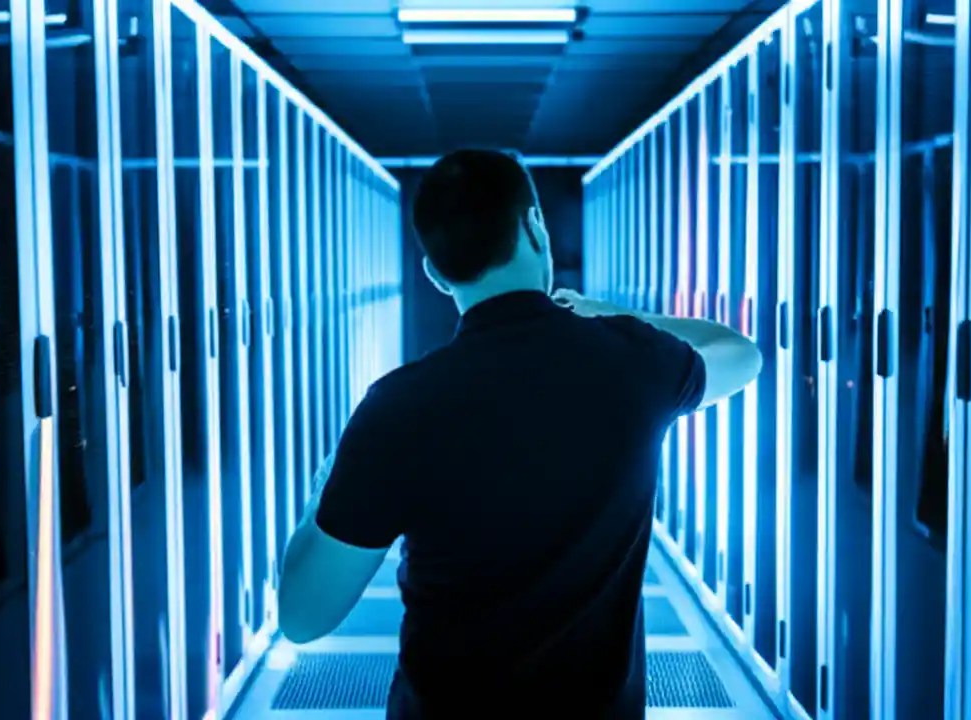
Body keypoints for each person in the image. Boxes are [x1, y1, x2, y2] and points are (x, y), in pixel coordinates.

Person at [278, 149, 762, 719]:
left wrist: (320, 496)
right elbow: (741, 354)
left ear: (435, 273)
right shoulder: (633, 362)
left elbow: (303, 616)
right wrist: (614, 316)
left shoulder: (398, 407)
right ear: (535, 225)